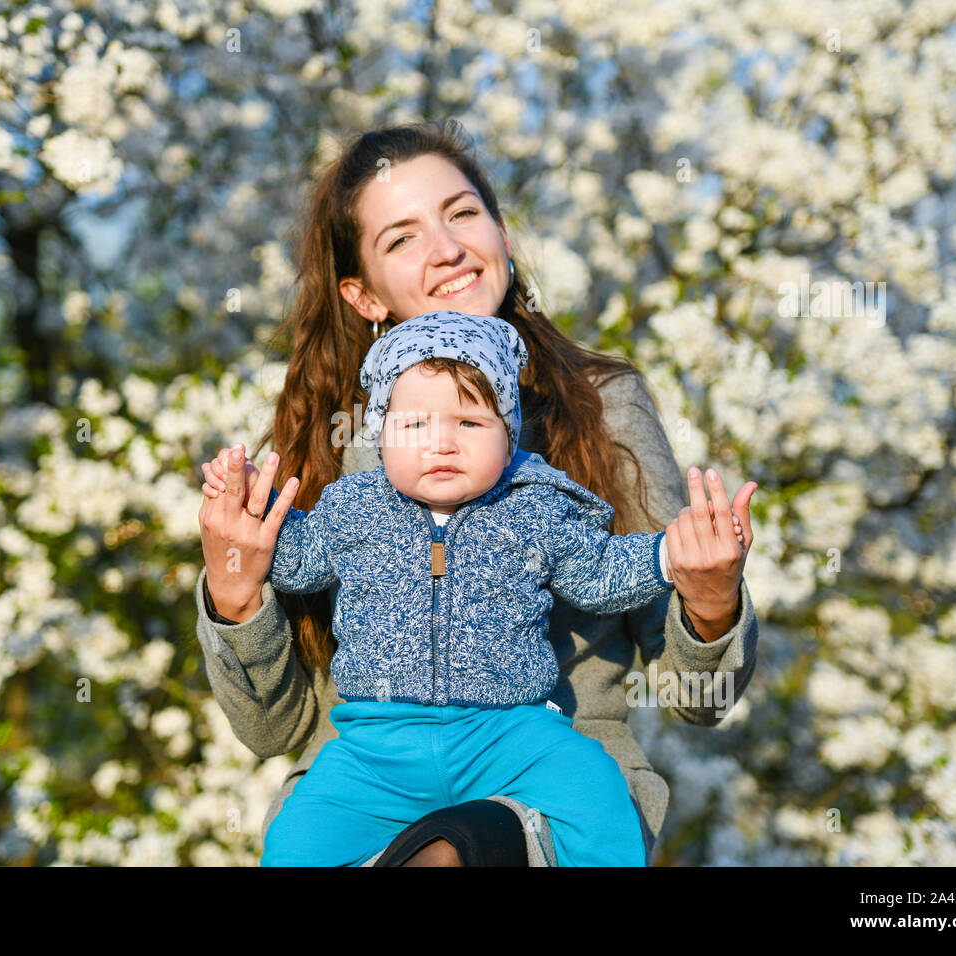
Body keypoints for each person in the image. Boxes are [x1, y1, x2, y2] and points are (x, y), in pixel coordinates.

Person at [196, 120, 759, 866]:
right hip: (372, 775)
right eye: (401, 238)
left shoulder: (602, 406)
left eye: (461, 213)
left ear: (500, 229)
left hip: (532, 777)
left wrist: (708, 595)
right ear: (363, 295)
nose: (447, 249)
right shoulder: (330, 445)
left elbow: (697, 698)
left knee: (454, 854)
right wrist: (235, 595)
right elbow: (275, 731)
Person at [254, 311, 694, 866]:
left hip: (509, 735)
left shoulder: (534, 507)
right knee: (295, 842)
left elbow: (600, 572)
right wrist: (258, 507)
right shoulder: (354, 506)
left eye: (469, 424)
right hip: (378, 748)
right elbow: (295, 563)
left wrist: (673, 553)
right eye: (414, 426)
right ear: (382, 436)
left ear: (508, 438)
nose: (442, 443)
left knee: (596, 791)